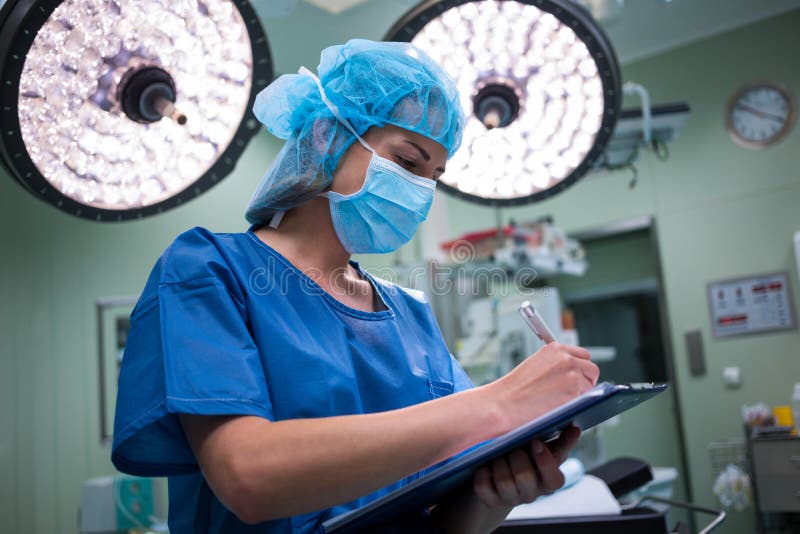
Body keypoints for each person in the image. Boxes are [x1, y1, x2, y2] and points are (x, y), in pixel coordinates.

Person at [111, 39, 599, 533]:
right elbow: (247, 478)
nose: (420, 192)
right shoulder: (212, 270)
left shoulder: (410, 316)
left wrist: (495, 496)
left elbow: (439, 519)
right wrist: (497, 403)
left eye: (434, 176)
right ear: (327, 137)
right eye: (408, 163)